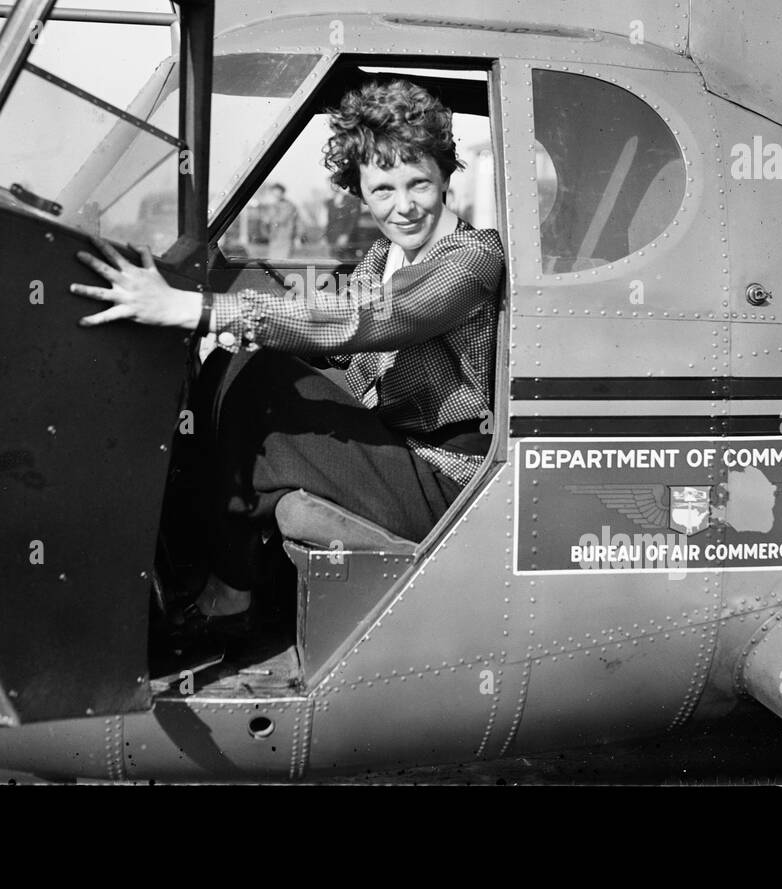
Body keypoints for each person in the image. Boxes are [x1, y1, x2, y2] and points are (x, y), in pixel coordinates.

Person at [70, 79, 504, 638]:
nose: (404, 205)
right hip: (398, 448)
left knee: (265, 382)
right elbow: (345, 333)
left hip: (445, 480)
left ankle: (231, 592)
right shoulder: (383, 256)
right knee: (237, 367)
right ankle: (200, 569)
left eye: (419, 182)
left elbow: (365, 320)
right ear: (360, 191)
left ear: (445, 175)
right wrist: (249, 334)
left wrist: (200, 309)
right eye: (383, 189)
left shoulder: (469, 258)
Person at [262, 182, 300, 259]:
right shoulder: (271, 206)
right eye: (274, 193)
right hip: (274, 239)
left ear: (282, 193)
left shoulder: (290, 206)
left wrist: (298, 237)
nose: (276, 195)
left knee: (283, 263)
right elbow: (265, 223)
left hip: (286, 239)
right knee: (272, 262)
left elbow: (292, 221)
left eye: (278, 193)